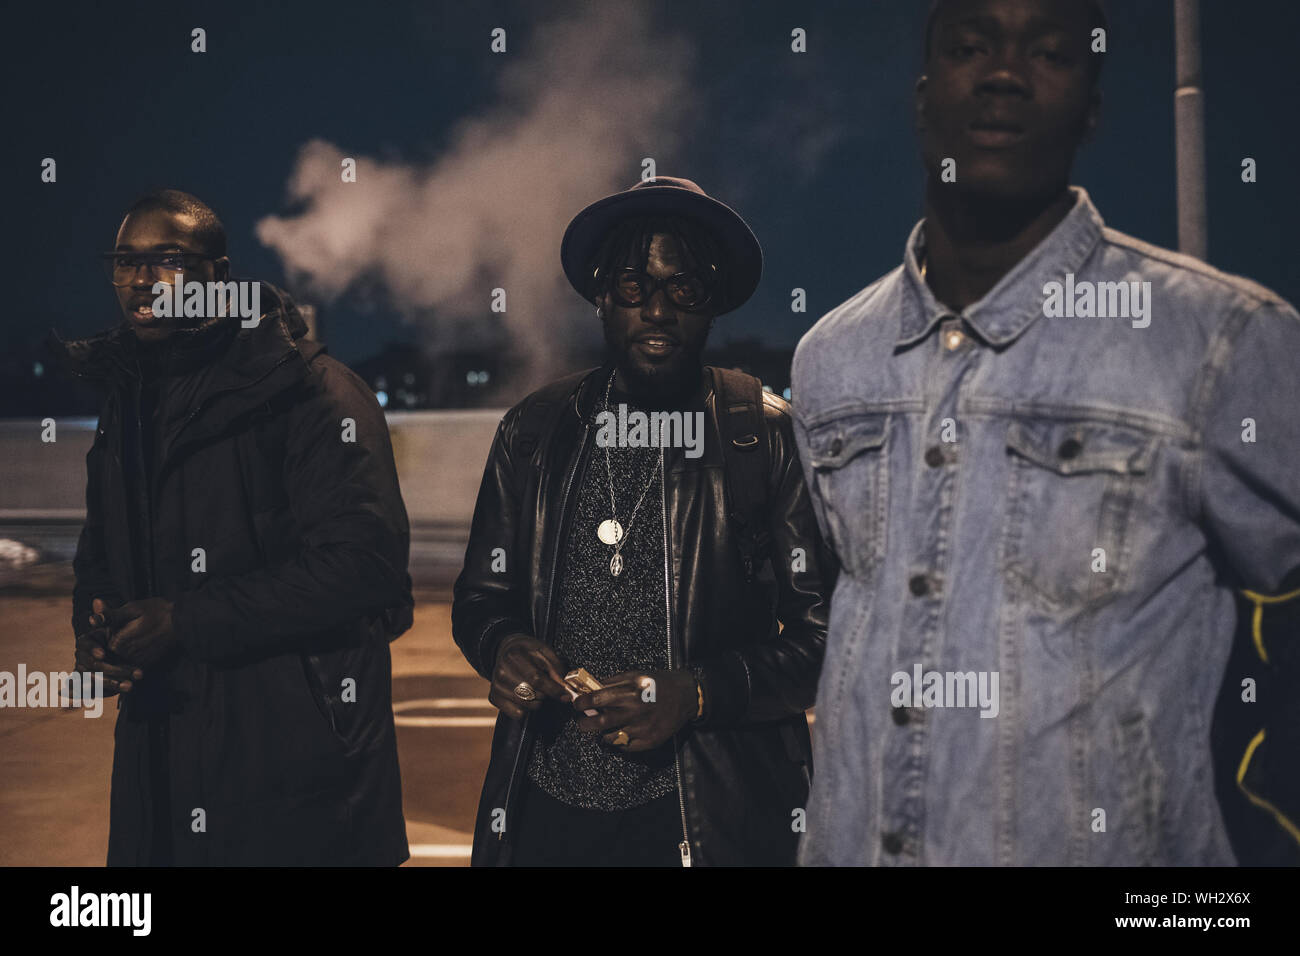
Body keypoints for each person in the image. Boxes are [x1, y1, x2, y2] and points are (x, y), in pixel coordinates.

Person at [791, 0, 1300, 865]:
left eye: (1050, 52)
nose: (1002, 73)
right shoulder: (831, 358)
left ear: (1091, 108)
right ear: (923, 97)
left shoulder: (1220, 341)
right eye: (971, 45)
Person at [452, 176, 832, 866]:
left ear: (711, 303)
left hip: (709, 813)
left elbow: (827, 640)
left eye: (683, 289)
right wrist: (501, 645)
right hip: (546, 810)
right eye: (632, 286)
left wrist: (697, 694)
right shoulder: (535, 430)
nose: (656, 310)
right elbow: (480, 599)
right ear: (600, 296)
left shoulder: (765, 436)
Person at [51, 188, 413, 865]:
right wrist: (94, 630)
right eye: (125, 262)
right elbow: (99, 553)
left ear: (217, 276)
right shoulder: (128, 403)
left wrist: (185, 621)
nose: (142, 280)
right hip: (160, 763)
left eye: (168, 260)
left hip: (297, 784)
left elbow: (365, 565)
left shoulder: (314, 392)